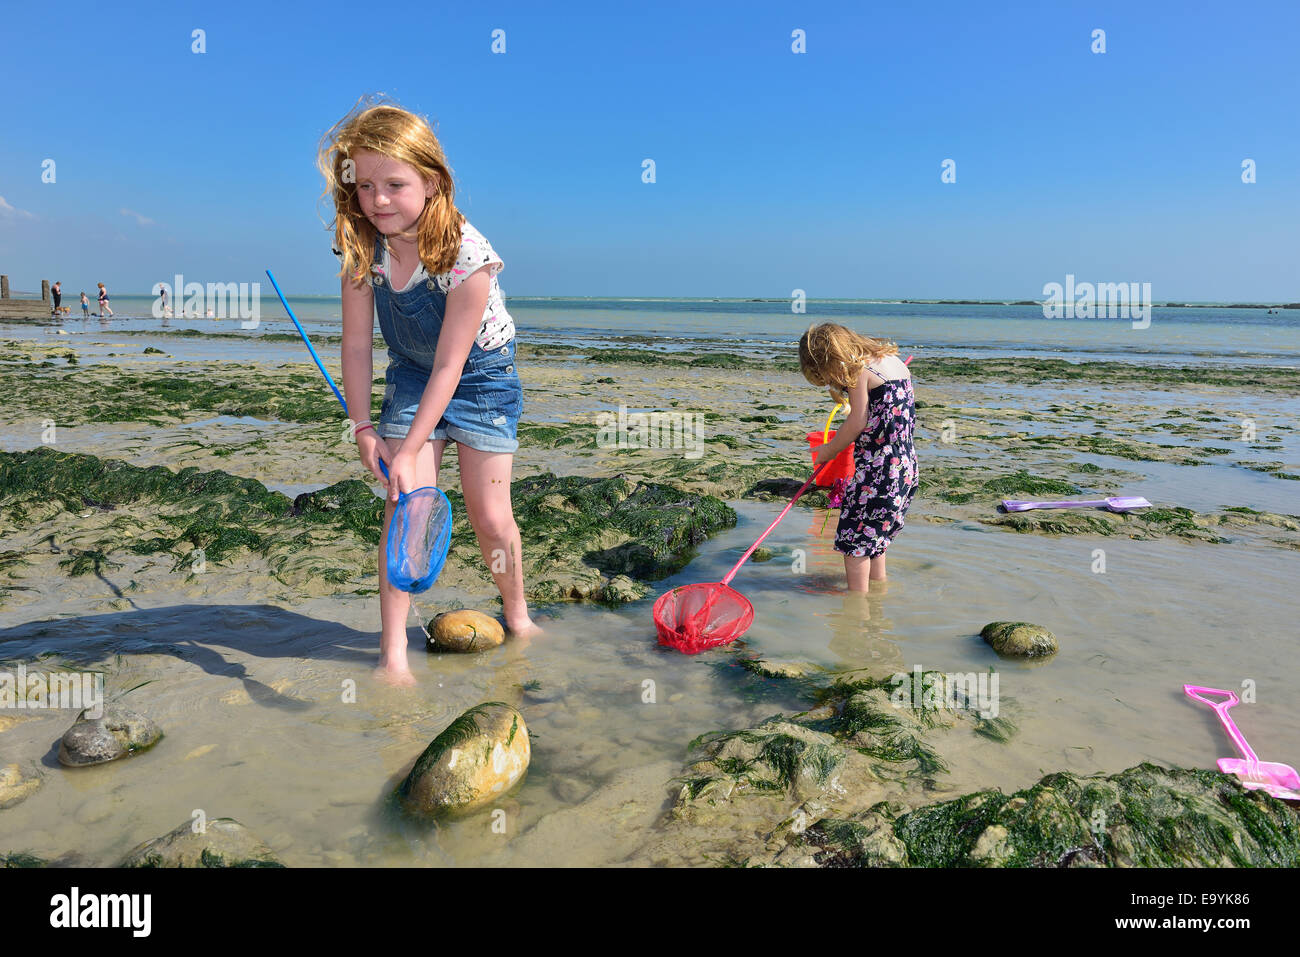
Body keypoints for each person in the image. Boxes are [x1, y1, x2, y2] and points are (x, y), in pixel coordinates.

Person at [319, 98, 539, 685]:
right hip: (413, 373)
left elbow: (452, 364)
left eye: (394, 183)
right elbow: (359, 345)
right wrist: (364, 427)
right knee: (404, 506)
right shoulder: (363, 250)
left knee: (490, 516)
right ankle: (392, 656)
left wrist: (413, 443)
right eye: (365, 186)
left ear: (433, 181)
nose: (378, 200)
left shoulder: (468, 255)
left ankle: (518, 616)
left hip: (481, 373)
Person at [798, 323, 918, 590]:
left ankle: (856, 610)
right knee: (875, 541)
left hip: (878, 475)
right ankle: (878, 594)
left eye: (829, 376)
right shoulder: (893, 361)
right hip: (905, 470)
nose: (834, 383)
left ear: (835, 361)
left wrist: (828, 451)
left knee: (855, 546)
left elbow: (856, 423)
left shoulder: (859, 371)